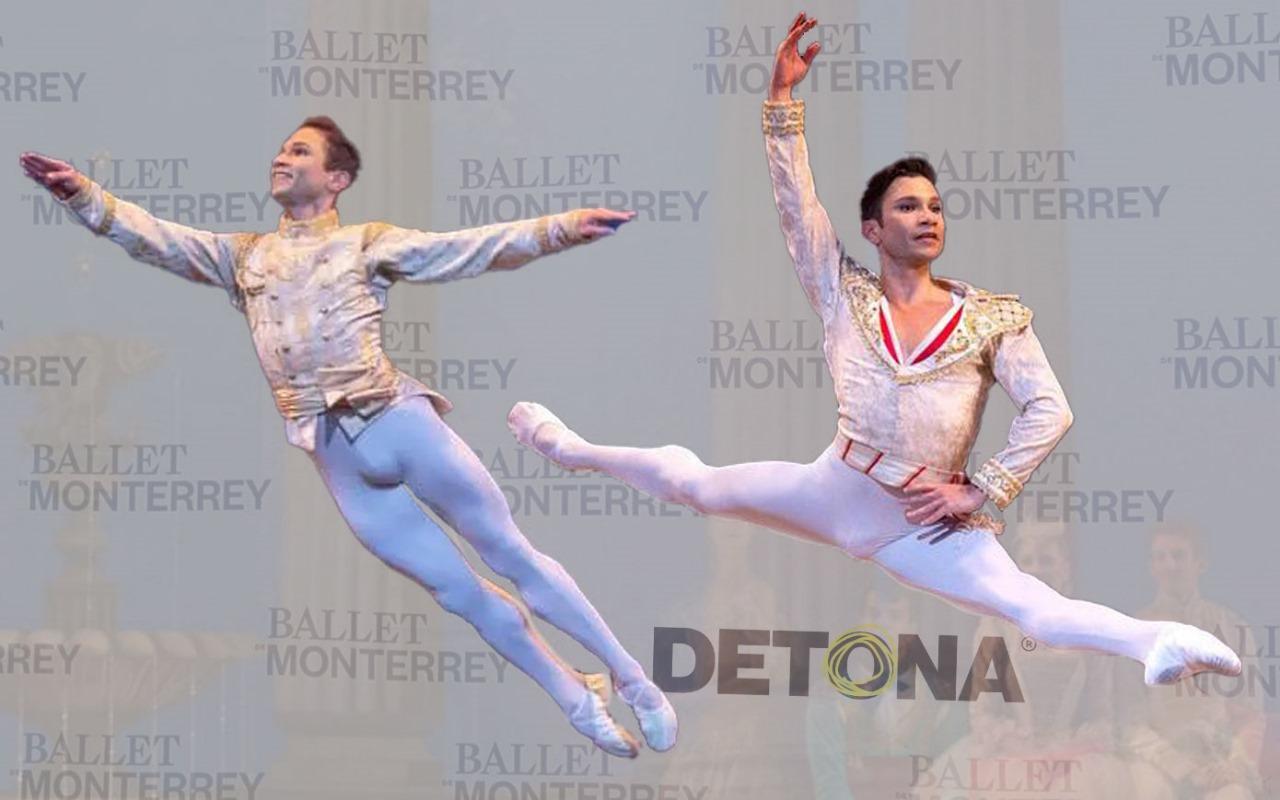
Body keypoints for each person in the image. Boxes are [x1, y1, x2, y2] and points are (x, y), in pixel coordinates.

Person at [508, 12, 1239, 687]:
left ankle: (1156, 642)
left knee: (1033, 608)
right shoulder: (844, 294)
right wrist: (783, 105)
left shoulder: (992, 319)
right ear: (872, 229)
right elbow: (797, 207)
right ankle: (576, 450)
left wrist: (978, 490)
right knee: (696, 485)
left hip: (924, 525)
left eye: (935, 205)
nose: (926, 216)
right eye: (907, 206)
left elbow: (1050, 410)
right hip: (837, 488)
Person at [18, 116, 675, 758]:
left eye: (299, 151)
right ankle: (573, 698)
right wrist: (83, 194)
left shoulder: (366, 243)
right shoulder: (244, 256)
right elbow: (156, 238)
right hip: (337, 458)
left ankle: (633, 680)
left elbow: (464, 249)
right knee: (456, 591)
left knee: (511, 556)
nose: (282, 157)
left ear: (336, 178)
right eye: (280, 148)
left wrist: (557, 230)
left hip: (398, 421)